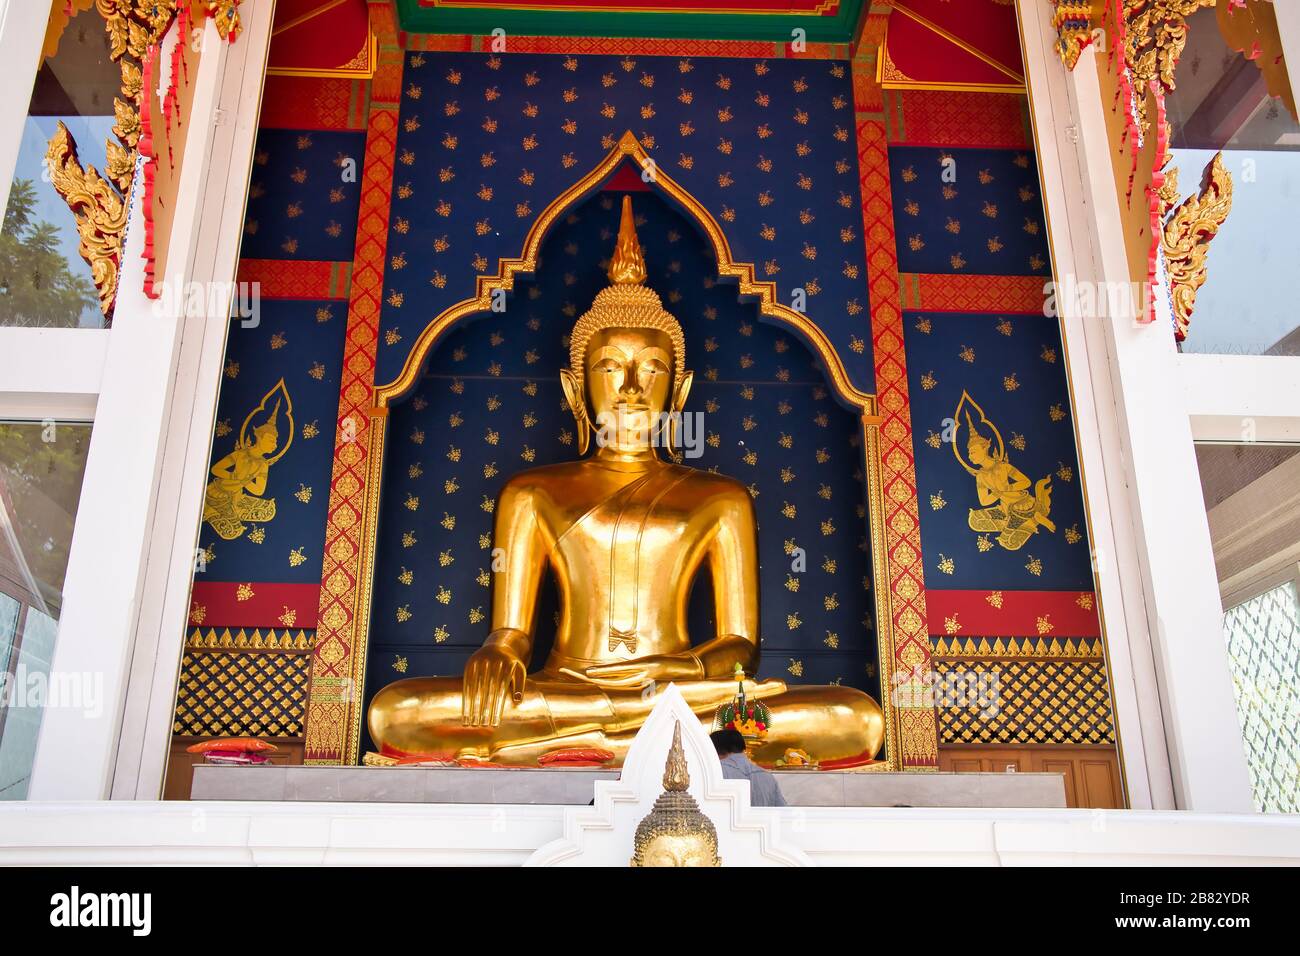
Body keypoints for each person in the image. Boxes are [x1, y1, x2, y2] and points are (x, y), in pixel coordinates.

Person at [710, 729, 787, 807]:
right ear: (742, 747)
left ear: (713, 750)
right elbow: (782, 810)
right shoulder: (767, 776)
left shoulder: (715, 772)